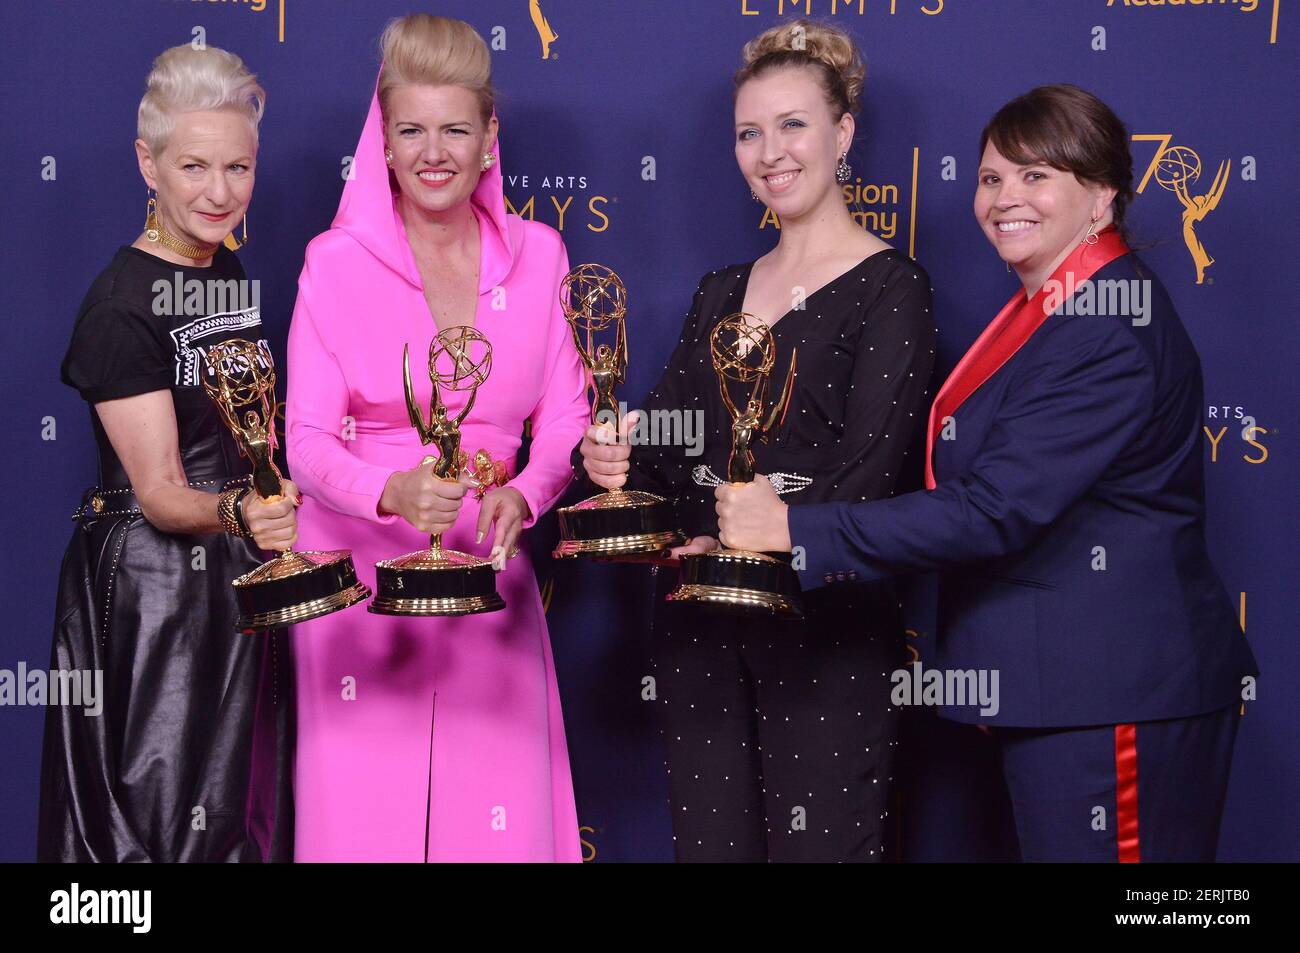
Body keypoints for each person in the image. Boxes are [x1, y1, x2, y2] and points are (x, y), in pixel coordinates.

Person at [716, 84, 1258, 862]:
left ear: (1101, 195)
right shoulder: (1061, 307)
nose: (1006, 199)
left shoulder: (1105, 325)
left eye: (1037, 177)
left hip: (1115, 694)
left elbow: (995, 507)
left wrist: (794, 527)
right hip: (1062, 693)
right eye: (992, 178)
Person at [577, 19, 935, 862]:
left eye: (793, 124)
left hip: (828, 640)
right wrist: (608, 457)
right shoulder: (720, 291)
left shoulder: (893, 289)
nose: (769, 151)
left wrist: (748, 526)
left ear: (843, 133)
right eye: (748, 131)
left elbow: (870, 476)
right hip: (701, 637)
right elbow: (665, 447)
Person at [285, 14, 587, 862]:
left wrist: (524, 495)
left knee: (498, 823)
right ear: (381, 142)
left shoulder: (540, 255)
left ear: (491, 137)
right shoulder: (333, 262)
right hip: (358, 586)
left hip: (489, 575)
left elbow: (565, 418)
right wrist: (390, 492)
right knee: (364, 828)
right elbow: (303, 438)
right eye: (411, 129)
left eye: (456, 128)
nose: (434, 151)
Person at [39, 45, 295, 862]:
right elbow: (156, 490)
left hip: (235, 576)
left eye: (238, 167)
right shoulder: (119, 305)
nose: (220, 192)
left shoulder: (229, 270)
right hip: (154, 593)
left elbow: (249, 435)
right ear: (148, 164)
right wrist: (241, 510)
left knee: (237, 814)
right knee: (154, 822)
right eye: (194, 166)